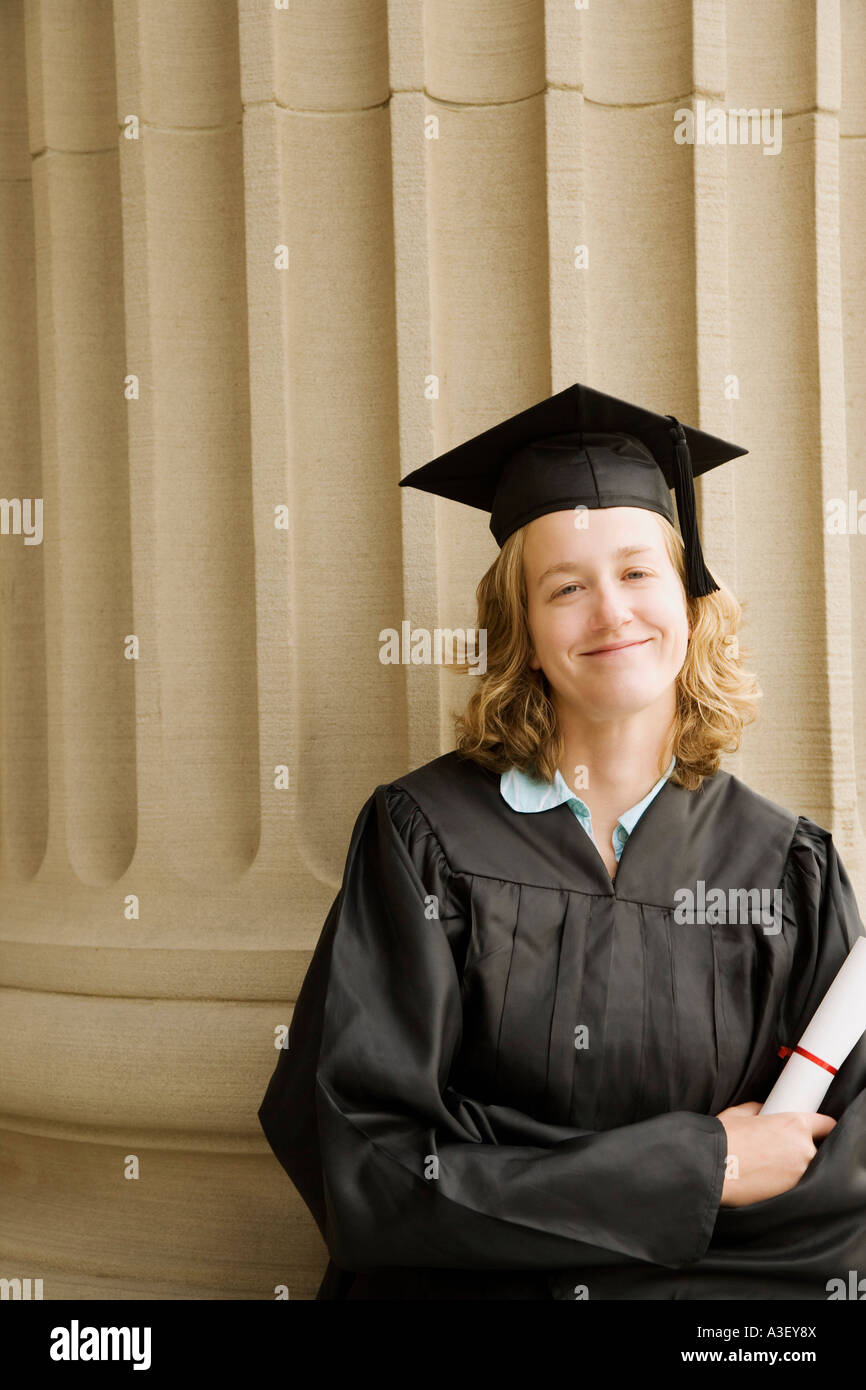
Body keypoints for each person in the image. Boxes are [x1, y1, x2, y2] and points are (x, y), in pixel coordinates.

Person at [258, 381, 866, 1300]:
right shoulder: (421, 839)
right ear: (524, 633)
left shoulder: (786, 865)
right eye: (566, 587)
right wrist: (704, 1167)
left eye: (636, 573)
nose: (610, 612)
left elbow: (840, 1193)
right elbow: (369, 1171)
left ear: (692, 604)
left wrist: (518, 1182)